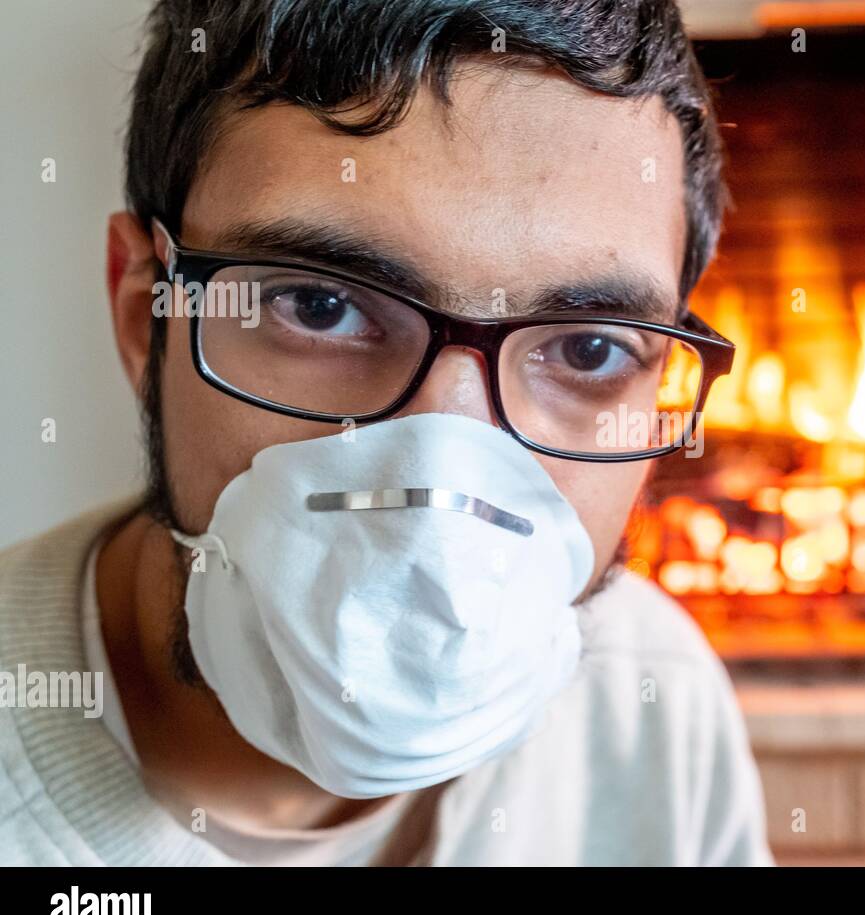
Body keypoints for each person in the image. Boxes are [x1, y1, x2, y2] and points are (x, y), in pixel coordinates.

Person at [0, 0, 773, 866]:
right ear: (149, 314)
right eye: (320, 307)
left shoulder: (649, 706)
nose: (438, 481)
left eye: (588, 350)